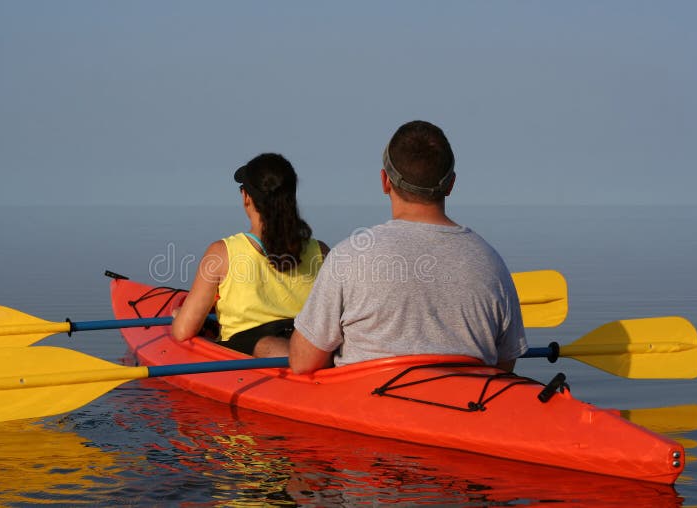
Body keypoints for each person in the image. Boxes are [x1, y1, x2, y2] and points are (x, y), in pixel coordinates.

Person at [289, 120, 527, 374]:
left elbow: (304, 362)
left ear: (385, 181)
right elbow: (505, 365)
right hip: (469, 406)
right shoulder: (491, 262)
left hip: (368, 408)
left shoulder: (348, 256)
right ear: (451, 184)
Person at [172, 153, 328, 357]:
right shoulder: (322, 252)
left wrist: (178, 317)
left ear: (246, 197)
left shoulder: (220, 253)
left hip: (254, 351)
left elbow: (183, 331)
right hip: (306, 343)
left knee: (268, 346)